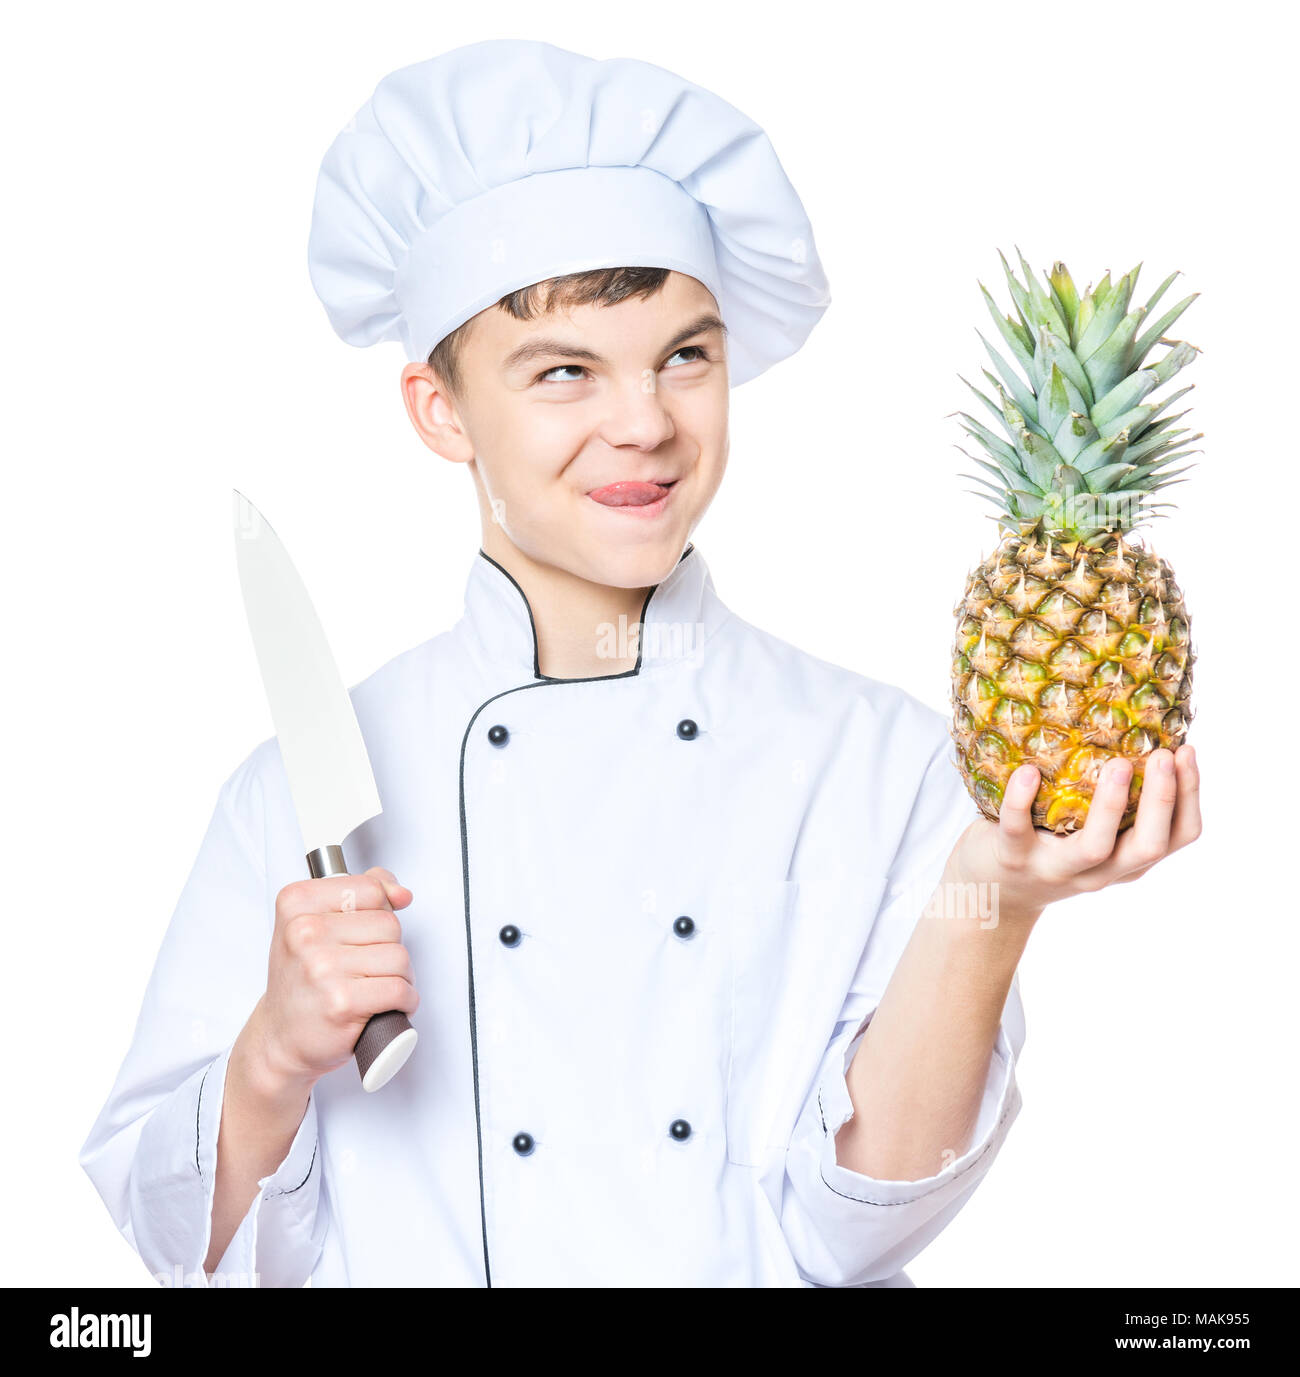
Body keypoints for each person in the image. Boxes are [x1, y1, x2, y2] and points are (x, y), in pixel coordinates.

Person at [79, 38, 1201, 1289]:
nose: (647, 423)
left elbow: (857, 1227)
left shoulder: (881, 761)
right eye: (564, 371)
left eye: (685, 355)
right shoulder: (300, 791)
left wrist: (994, 899)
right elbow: (177, 1242)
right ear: (439, 411)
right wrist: (271, 1056)